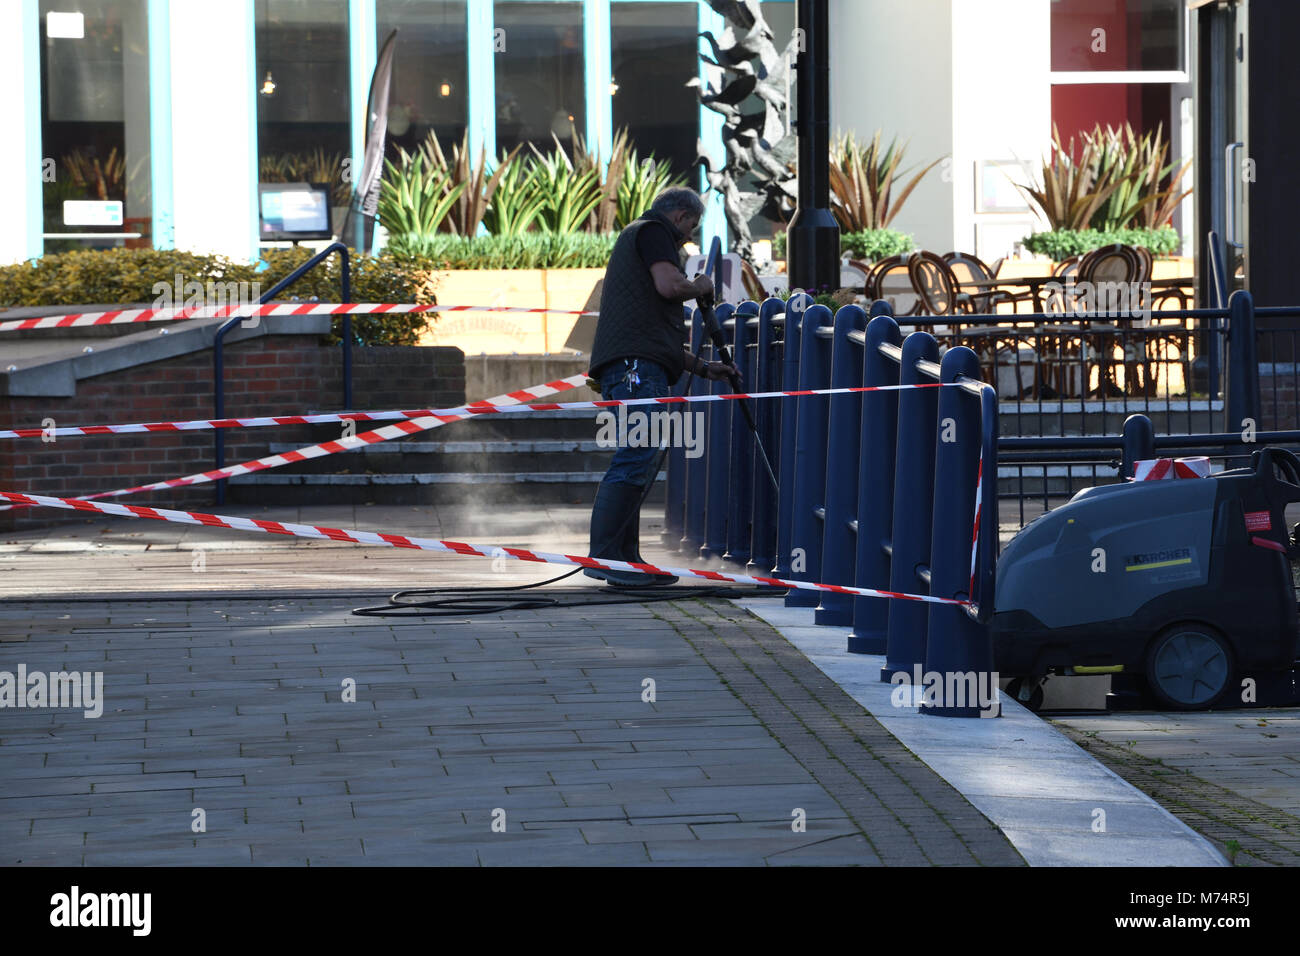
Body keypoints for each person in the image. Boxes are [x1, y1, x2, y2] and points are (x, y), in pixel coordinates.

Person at [583, 187, 739, 587]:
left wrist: (705, 367)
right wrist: (701, 285)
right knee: (638, 452)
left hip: (635, 365)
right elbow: (670, 287)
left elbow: (655, 340)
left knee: (642, 454)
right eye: (691, 230)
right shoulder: (654, 231)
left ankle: (625, 557)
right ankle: (605, 558)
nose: (688, 240)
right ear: (683, 217)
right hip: (635, 369)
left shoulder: (639, 235)